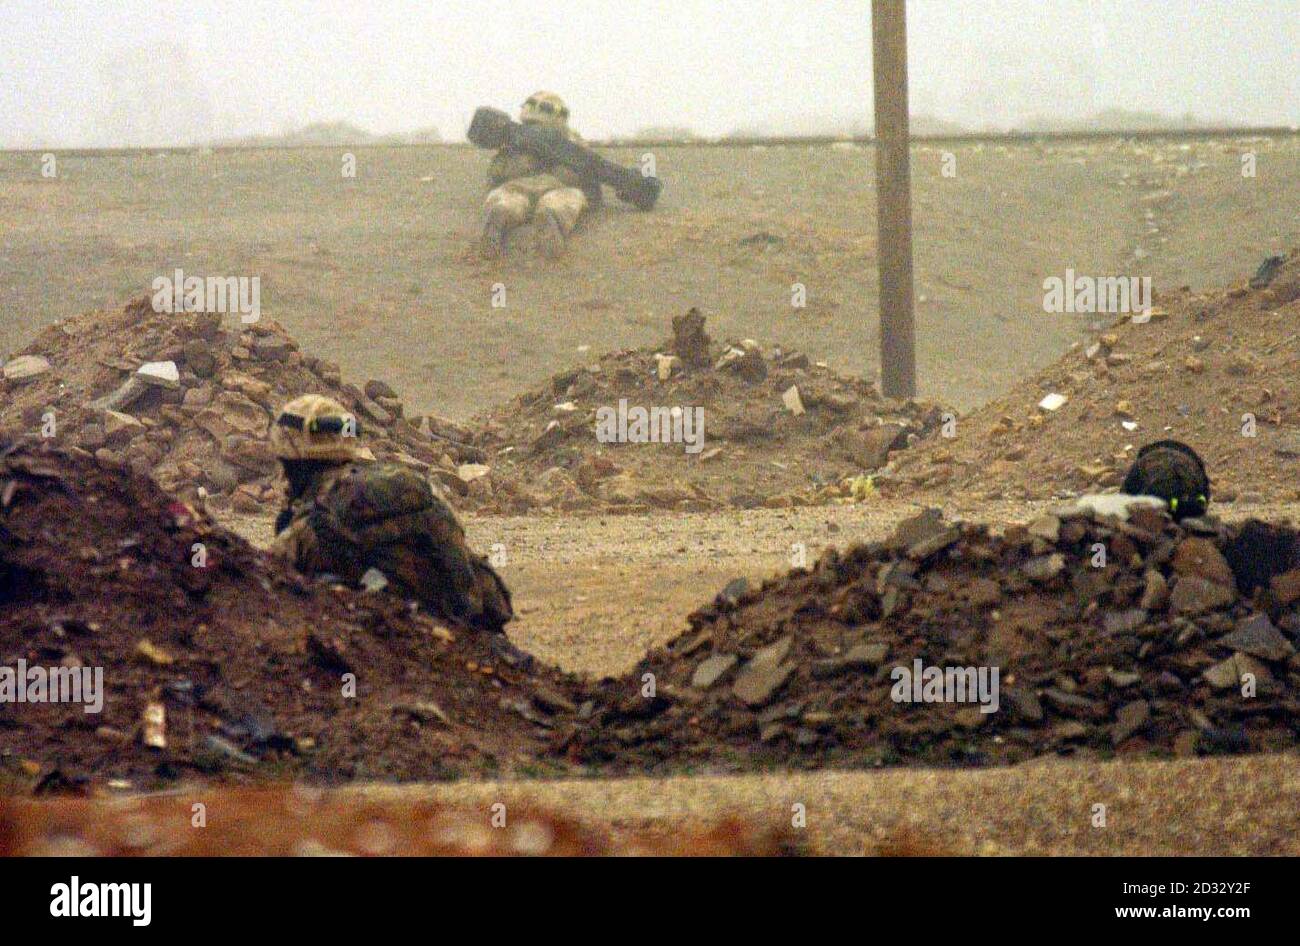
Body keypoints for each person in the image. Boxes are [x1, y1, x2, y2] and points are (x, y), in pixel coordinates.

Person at [268, 394, 526, 663]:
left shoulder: (315, 522)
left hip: (399, 656)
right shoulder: (409, 484)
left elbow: (265, 586)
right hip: (472, 635)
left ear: (292, 463)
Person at [480, 91, 602, 259]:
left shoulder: (513, 139)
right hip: (558, 187)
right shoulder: (570, 138)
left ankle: (500, 217)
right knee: (560, 204)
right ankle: (549, 220)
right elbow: (590, 170)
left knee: (505, 200)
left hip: (515, 186)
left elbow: (496, 174)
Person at [1120, 439, 1210, 520]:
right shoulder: (1190, 469)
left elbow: (1125, 498)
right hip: (1185, 472)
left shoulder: (1142, 466)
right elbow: (1203, 497)